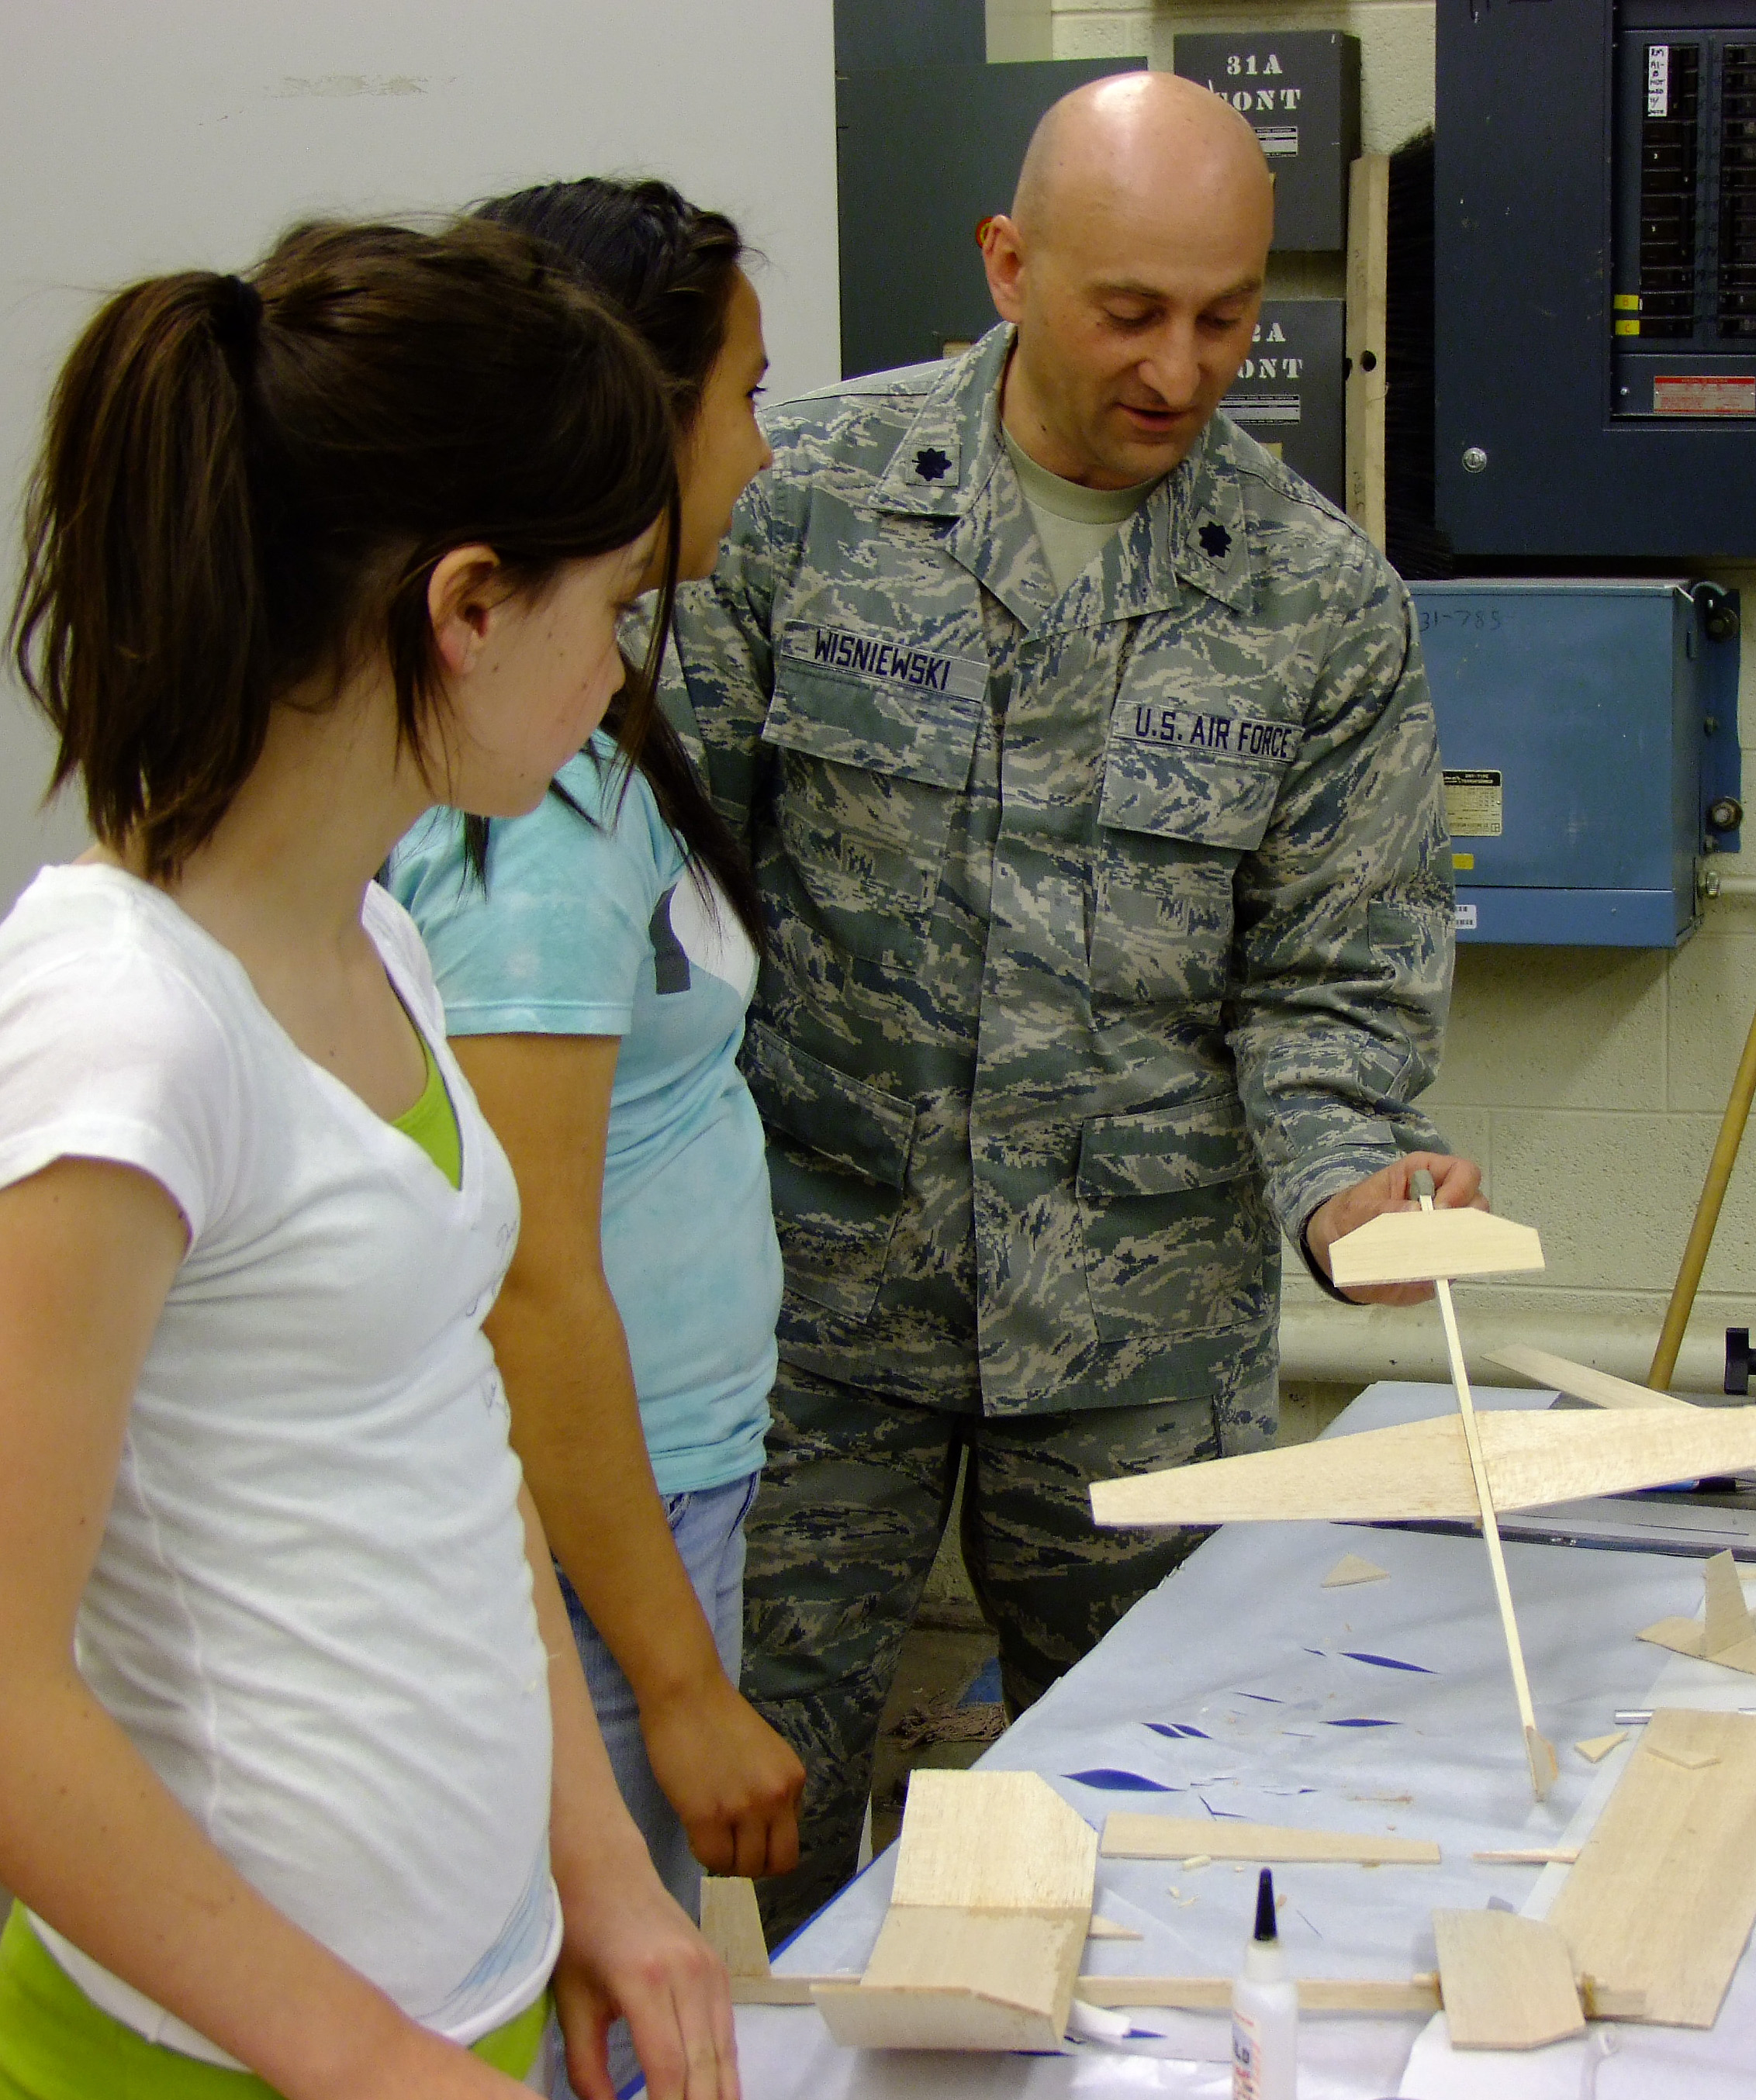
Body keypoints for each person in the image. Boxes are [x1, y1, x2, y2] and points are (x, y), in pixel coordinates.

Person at [666, 71, 1485, 1934]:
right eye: (1130, 313)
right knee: (743, 1837)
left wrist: (1350, 1182)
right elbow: (666, 886)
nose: (1184, 370)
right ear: (1008, 265)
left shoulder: (1317, 602)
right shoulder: (796, 508)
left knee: (1156, 1830)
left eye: (1225, 317)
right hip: (805, 1317)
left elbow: (1330, 985)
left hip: (1133, 1339)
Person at [0, 217, 737, 2100]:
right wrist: (361, 2056)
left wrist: (596, 1875)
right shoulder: (123, 1027)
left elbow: (448, 1434)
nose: (621, 672)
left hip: (447, 1990)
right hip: (215, 2052)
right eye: (617, 602)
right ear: (471, 606)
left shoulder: (375, 935)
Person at [386, 180, 803, 2002]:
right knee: (598, 1989)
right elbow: (528, 1279)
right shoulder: (531, 831)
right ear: (634, 424)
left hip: (645, 1498)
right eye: (745, 397)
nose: (766, 447)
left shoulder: (586, 740)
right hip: (586, 1535)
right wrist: (683, 1686)